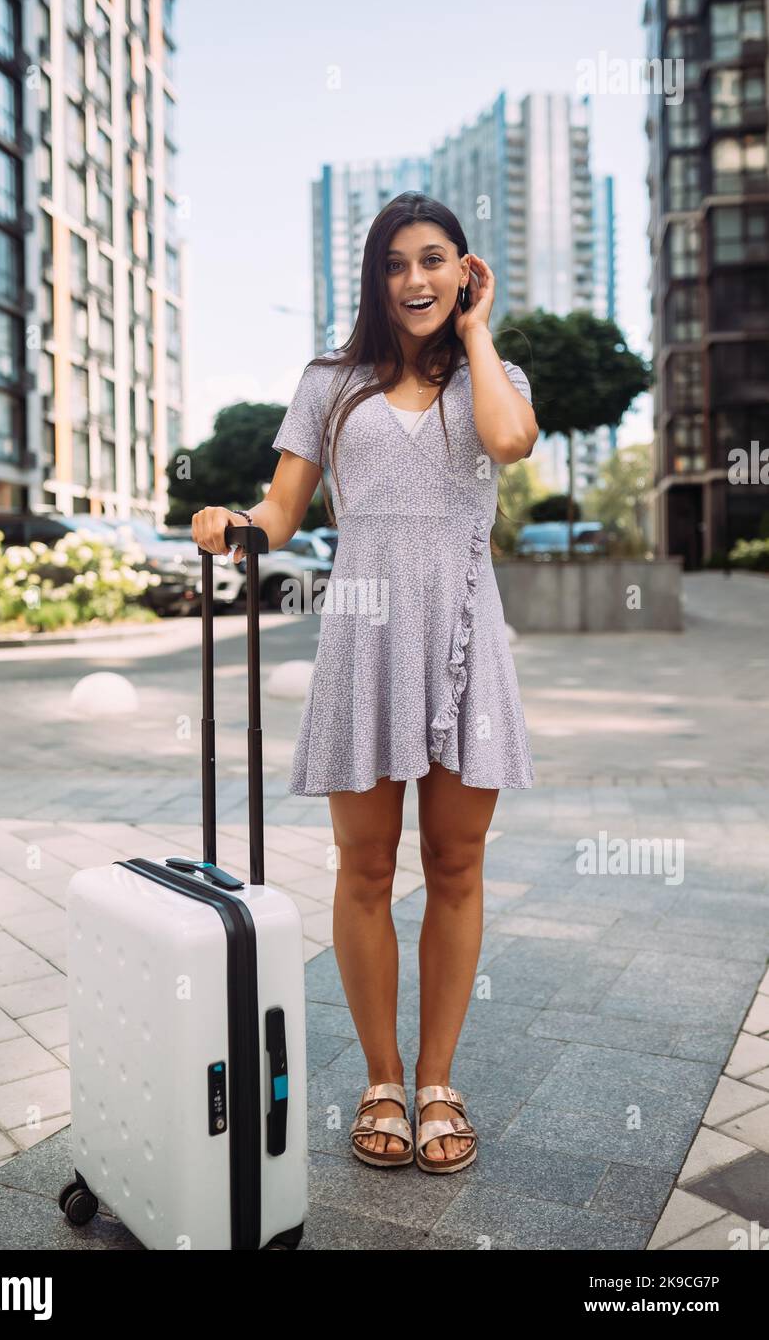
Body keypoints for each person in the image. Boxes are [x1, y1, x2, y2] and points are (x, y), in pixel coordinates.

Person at [192, 191, 538, 1175]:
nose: (414, 279)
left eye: (434, 260)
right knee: (366, 867)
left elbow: (510, 443)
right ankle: (381, 1077)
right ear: (373, 278)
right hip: (363, 637)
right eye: (394, 263)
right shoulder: (328, 381)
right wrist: (236, 526)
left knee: (457, 864)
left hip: (467, 630)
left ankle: (438, 1081)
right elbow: (284, 510)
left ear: (464, 272)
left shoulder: (492, 375)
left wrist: (476, 334)